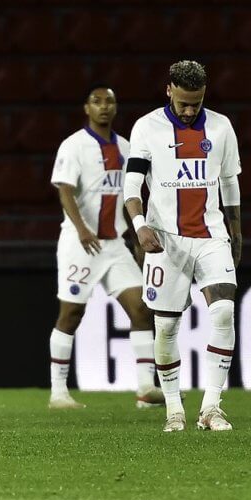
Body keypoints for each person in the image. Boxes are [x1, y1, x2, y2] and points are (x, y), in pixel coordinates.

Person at [123, 61, 242, 433]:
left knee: (223, 312)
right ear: (169, 90)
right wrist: (140, 226)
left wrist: (236, 230)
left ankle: (211, 407)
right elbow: (132, 185)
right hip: (164, 240)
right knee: (167, 327)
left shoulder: (221, 126)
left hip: (210, 235)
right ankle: (174, 409)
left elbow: (229, 182)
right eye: (184, 103)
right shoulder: (146, 127)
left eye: (197, 103)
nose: (190, 111)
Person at [49, 86, 164, 410]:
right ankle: (59, 393)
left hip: (114, 244)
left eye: (109, 101)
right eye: (97, 101)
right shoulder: (74, 146)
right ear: (86, 108)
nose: (103, 107)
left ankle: (145, 389)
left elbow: (131, 194)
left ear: (116, 107)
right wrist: (83, 229)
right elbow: (65, 192)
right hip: (80, 243)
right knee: (71, 314)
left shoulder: (127, 148)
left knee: (142, 308)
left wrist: (137, 237)